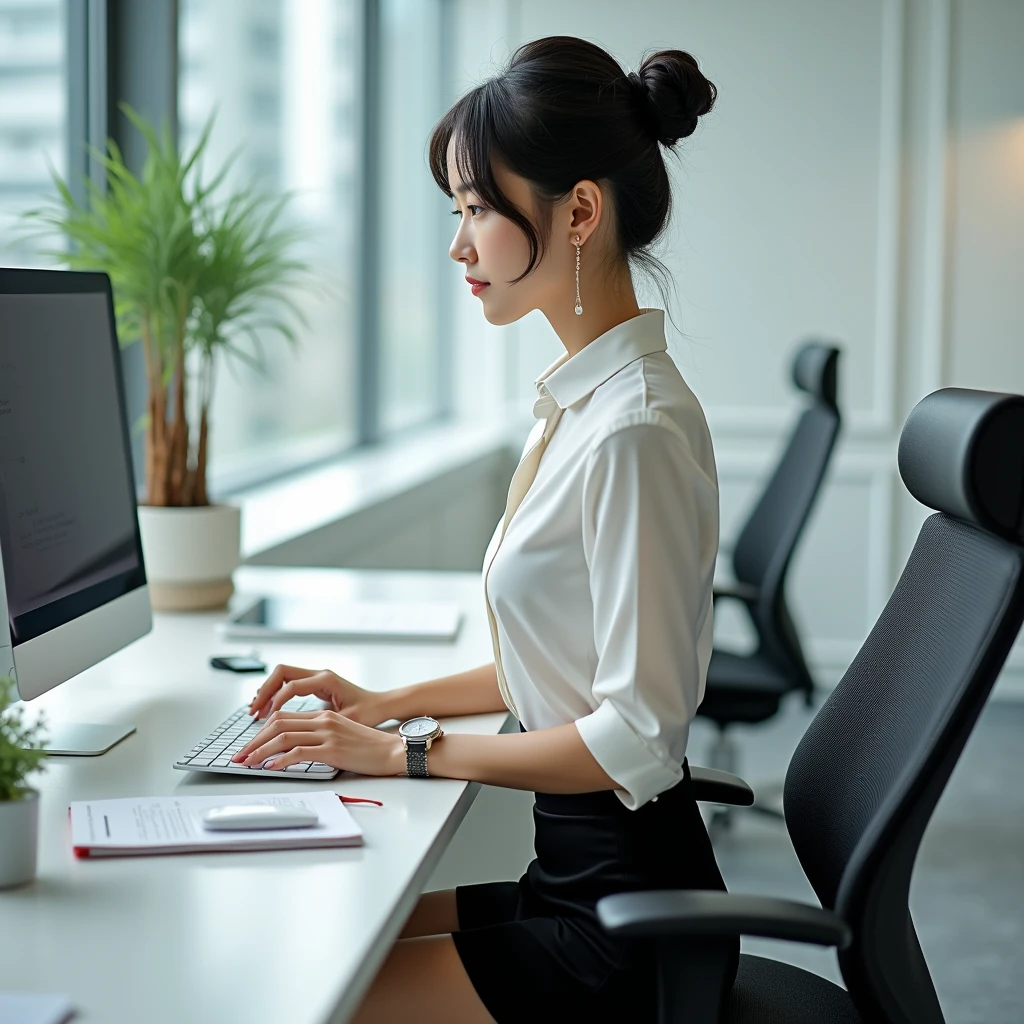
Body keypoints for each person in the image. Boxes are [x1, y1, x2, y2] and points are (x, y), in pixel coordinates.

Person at [234, 34, 730, 1023]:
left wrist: (406, 754)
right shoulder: (583, 405)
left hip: (623, 925)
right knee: (328, 943)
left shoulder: (630, 428)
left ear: (579, 211)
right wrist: (382, 702)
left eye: (474, 209)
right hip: (579, 878)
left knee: (304, 997)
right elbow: (556, 666)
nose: (458, 244)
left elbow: (634, 734)